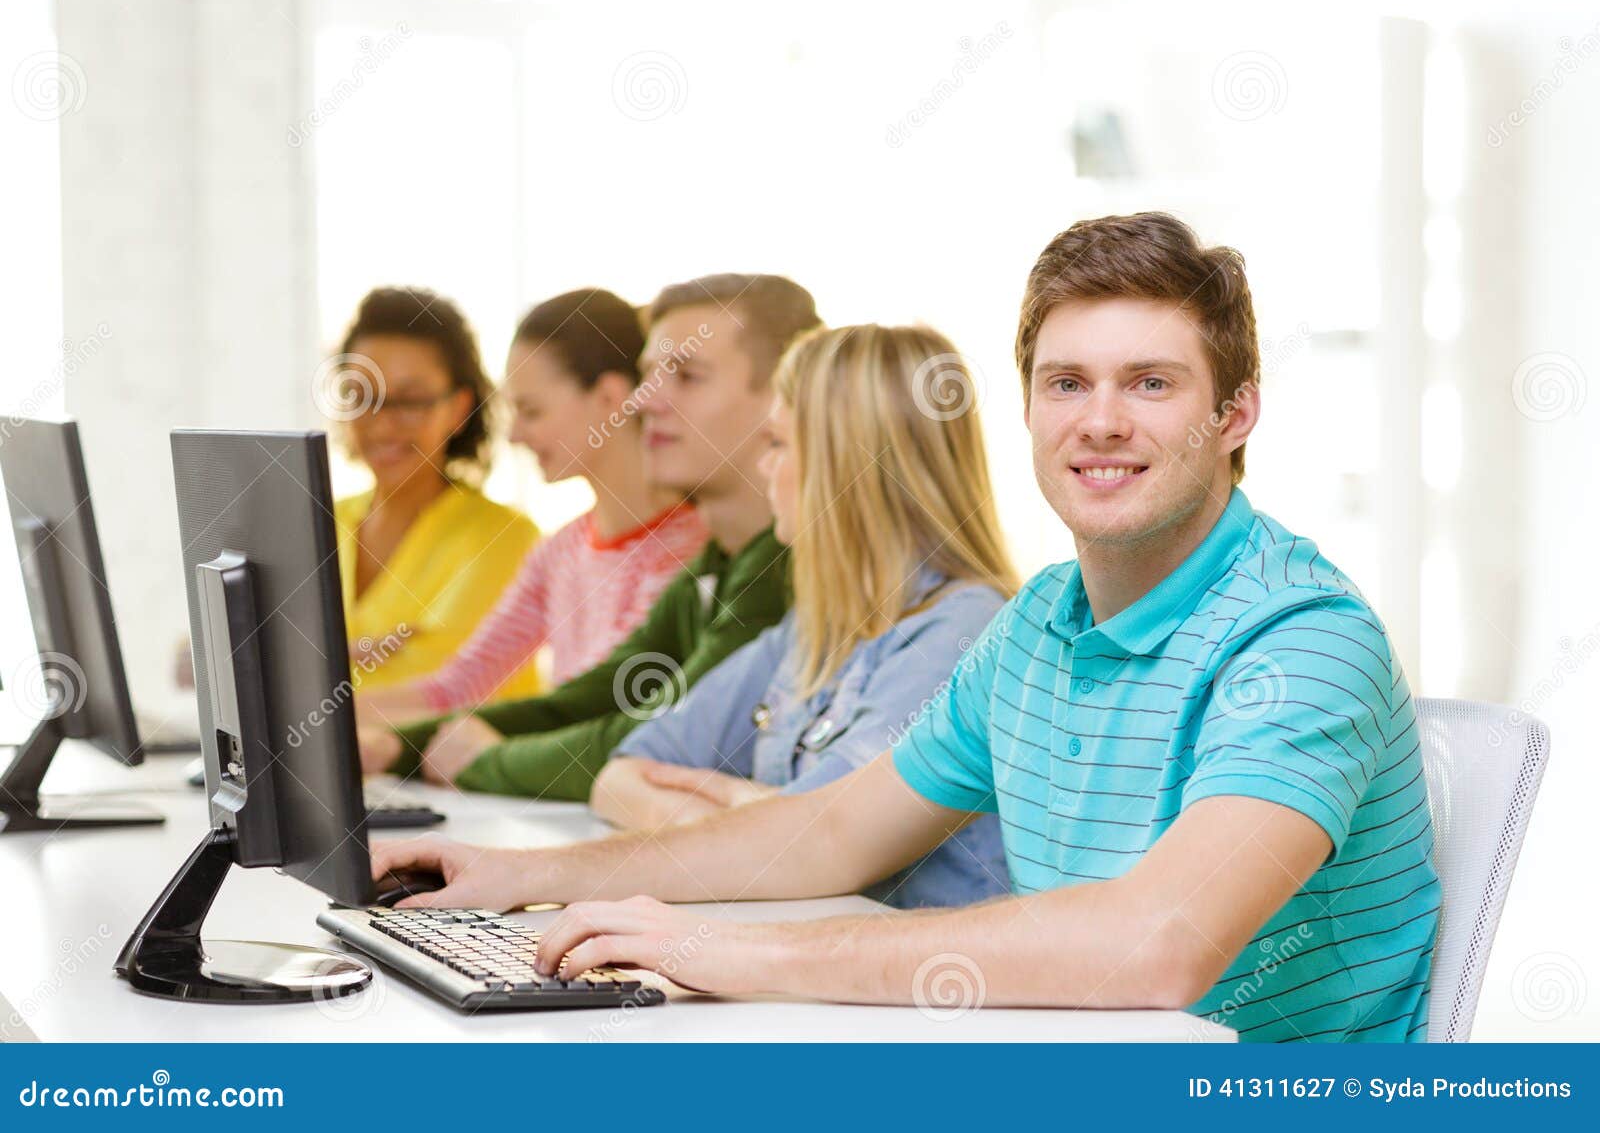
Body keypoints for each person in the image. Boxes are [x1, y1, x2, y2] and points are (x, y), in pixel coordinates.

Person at [374, 213, 1443, 1043]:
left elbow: (1153, 941)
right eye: (1066, 381)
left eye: (1151, 384)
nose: (1101, 419)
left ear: (1235, 413)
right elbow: (834, 830)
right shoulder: (1040, 622)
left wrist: (725, 951)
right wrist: (513, 878)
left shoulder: (1302, 638)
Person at [592, 324, 1018, 909]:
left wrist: (750, 816)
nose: (763, 467)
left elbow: (820, 838)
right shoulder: (814, 629)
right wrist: (747, 815)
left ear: (843, 465)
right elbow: (619, 775)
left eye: (776, 443)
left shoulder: (963, 631)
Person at [360, 274, 821, 797]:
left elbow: (644, 741)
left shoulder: (780, 565)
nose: (646, 401)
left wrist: (482, 761)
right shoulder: (715, 563)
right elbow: (587, 700)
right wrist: (400, 747)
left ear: (783, 398)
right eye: (649, 376)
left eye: (688, 376)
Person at [357, 289, 706, 726]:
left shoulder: (688, 553)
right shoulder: (559, 552)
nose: (515, 435)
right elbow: (456, 687)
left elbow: (595, 717)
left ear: (610, 398)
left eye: (531, 410)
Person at [331, 286, 537, 694]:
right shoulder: (315, 522)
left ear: (458, 410)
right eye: (361, 396)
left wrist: (311, 659)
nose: (382, 423)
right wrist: (352, 654)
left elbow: (435, 690)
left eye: (410, 401)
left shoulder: (505, 537)